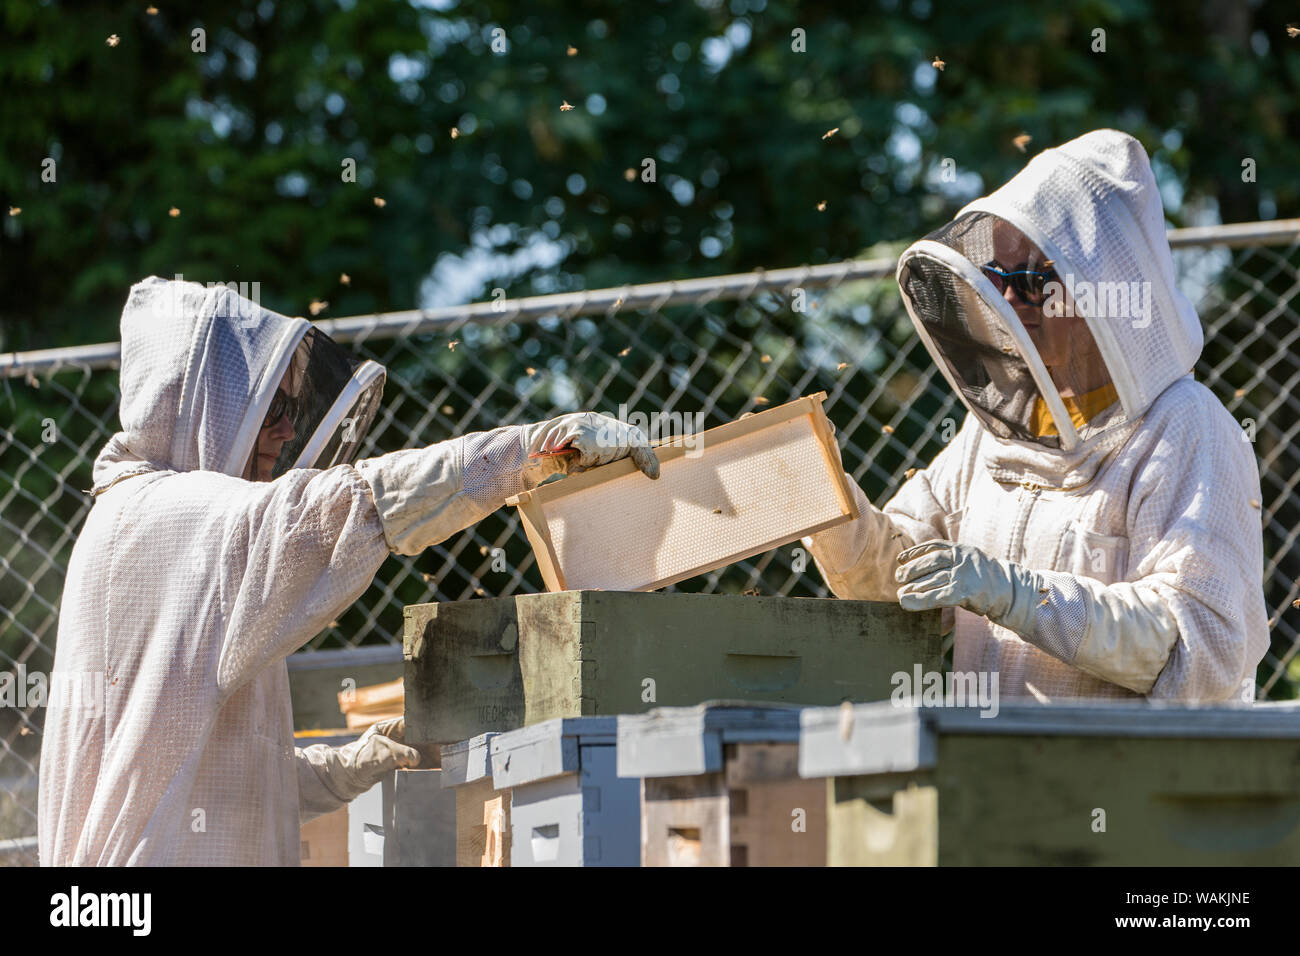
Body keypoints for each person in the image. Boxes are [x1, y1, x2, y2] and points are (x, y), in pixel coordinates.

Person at [38, 276, 659, 865]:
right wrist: (531, 453)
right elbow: (351, 504)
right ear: (201, 400)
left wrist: (364, 759)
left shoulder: (157, 527)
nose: (285, 430)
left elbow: (220, 778)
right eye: (274, 404)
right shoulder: (169, 520)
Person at [807, 129, 1269, 703]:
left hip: (1129, 779)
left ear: (1103, 288)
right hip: (994, 770)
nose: (1009, 305)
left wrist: (1019, 595)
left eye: (1030, 281)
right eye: (999, 281)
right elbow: (896, 576)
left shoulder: (1188, 431)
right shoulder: (994, 434)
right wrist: (822, 498)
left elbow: (1197, 650)